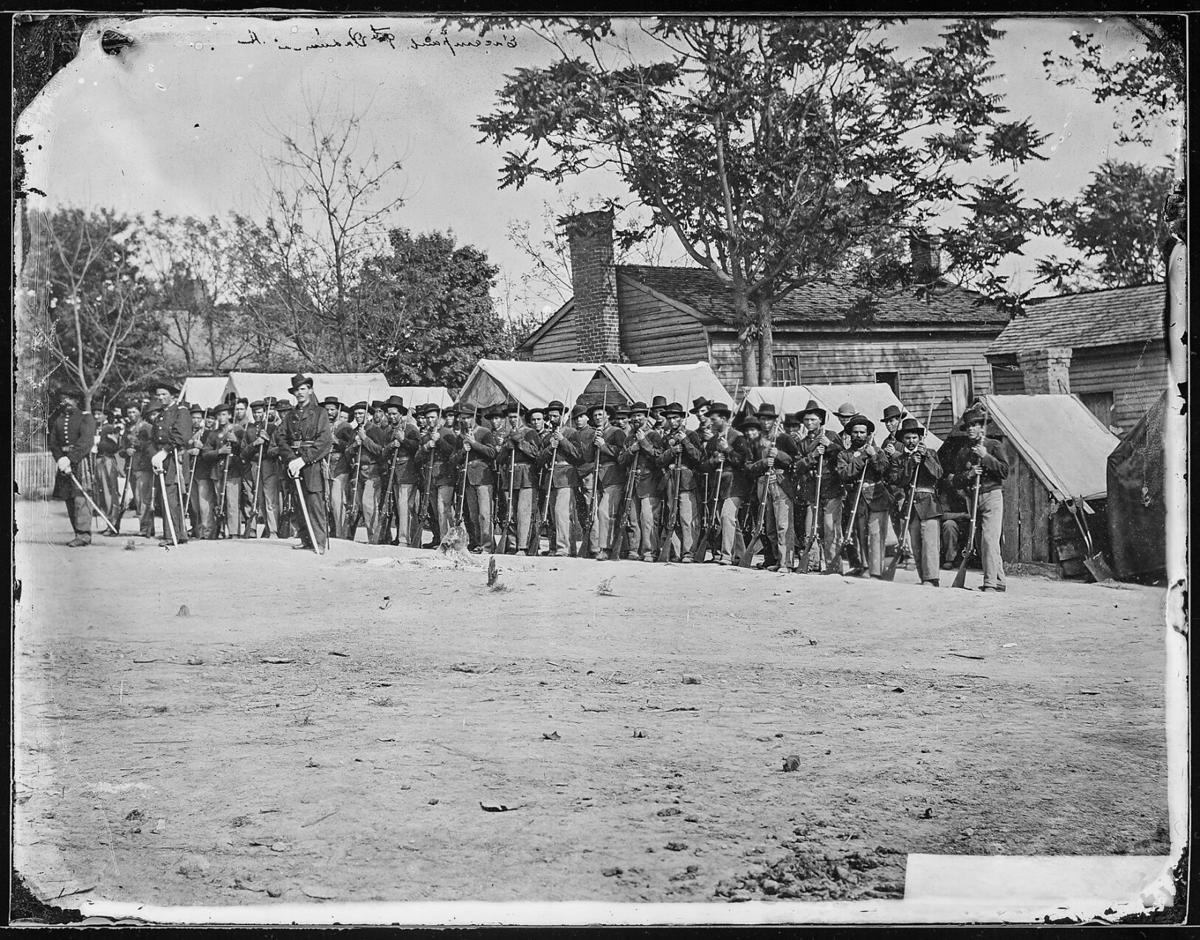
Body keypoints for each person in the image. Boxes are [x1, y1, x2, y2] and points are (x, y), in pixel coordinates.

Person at [950, 404, 1008, 592]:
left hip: (991, 496)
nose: (970, 429)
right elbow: (955, 480)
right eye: (968, 426)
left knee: (990, 540)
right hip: (972, 497)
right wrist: (969, 474)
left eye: (974, 425)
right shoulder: (963, 452)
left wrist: (986, 457)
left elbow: (1005, 471)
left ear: (983, 427)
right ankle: (999, 580)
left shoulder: (993, 446)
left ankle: (990, 583)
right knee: (980, 542)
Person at [276, 373, 334, 553]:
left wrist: (304, 459)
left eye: (303, 389)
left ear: (310, 390)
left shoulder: (320, 413)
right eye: (297, 390)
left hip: (312, 464)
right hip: (294, 464)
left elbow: (325, 441)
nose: (300, 393)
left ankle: (319, 541)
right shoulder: (290, 415)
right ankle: (305, 538)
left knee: (314, 503)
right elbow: (280, 437)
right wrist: (291, 459)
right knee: (298, 504)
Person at [888, 417, 943, 586]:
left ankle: (932, 578)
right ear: (902, 440)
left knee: (930, 544)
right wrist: (911, 464)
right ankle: (923, 577)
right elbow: (896, 480)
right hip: (910, 505)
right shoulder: (899, 459)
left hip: (929, 503)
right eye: (907, 438)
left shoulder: (931, 453)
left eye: (914, 438)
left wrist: (925, 458)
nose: (911, 441)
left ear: (920, 439)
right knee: (916, 545)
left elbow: (938, 474)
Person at [837, 414, 891, 578]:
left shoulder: (878, 451)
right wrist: (862, 458)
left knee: (876, 534)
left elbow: (884, 470)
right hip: (857, 499)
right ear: (850, 434)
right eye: (855, 432)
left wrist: (873, 455)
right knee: (861, 534)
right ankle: (864, 567)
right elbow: (844, 474)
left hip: (877, 497)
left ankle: (876, 571)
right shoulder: (844, 455)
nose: (859, 435)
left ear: (868, 434)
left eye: (862, 432)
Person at [793, 399, 843, 572]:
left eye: (813, 419)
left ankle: (833, 566)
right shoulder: (802, 443)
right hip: (811, 490)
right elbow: (797, 466)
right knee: (810, 529)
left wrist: (830, 446)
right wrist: (813, 455)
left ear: (821, 420)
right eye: (806, 420)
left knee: (830, 529)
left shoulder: (831, 436)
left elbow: (843, 456)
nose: (809, 423)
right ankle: (813, 564)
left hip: (830, 489)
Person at [49, 387, 98, 547]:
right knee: (69, 497)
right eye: (63, 399)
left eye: (70, 398)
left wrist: (70, 459)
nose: (66, 402)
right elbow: (54, 443)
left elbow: (86, 442)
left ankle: (84, 534)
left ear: (77, 400)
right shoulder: (58, 419)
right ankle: (78, 532)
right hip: (64, 462)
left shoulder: (86, 417)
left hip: (80, 461)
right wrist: (60, 460)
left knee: (80, 497)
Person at [616, 401, 662, 561]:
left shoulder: (654, 435)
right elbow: (621, 460)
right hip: (632, 483)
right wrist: (632, 449)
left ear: (646, 416)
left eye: (639, 415)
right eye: (634, 416)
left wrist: (643, 442)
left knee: (648, 519)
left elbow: (659, 457)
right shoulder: (629, 438)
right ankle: (634, 550)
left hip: (649, 482)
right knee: (632, 519)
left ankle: (649, 551)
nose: (636, 418)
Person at [148, 381, 192, 546]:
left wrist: (165, 451)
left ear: (172, 395)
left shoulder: (181, 412)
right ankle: (178, 533)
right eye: (158, 395)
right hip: (162, 458)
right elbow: (154, 438)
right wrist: (155, 455)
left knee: (171, 495)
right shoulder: (161, 415)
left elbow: (182, 435)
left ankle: (171, 534)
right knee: (164, 495)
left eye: (164, 394)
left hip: (174, 457)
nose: (160, 398)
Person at [539, 400, 577, 557]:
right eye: (550, 416)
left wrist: (562, 440)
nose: (552, 419)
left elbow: (577, 454)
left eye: (555, 416)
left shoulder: (571, 433)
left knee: (561, 513)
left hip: (566, 476)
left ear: (562, 416)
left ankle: (564, 548)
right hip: (551, 477)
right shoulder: (547, 437)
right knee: (553, 515)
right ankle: (554, 547)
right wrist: (550, 447)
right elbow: (539, 459)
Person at [242, 399, 282, 539]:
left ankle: (273, 531)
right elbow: (244, 452)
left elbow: (276, 448)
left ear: (265, 412)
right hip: (254, 466)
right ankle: (266, 526)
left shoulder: (271, 428)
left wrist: (267, 440)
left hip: (269, 465)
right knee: (260, 499)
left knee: (270, 499)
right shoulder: (249, 428)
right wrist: (255, 443)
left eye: (259, 412)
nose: (257, 415)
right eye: (255, 413)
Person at [121, 402, 156, 538]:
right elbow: (122, 447)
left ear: (139, 412)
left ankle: (146, 527)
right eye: (129, 412)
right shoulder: (127, 428)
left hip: (144, 466)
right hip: (131, 466)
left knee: (144, 498)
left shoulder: (148, 427)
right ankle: (144, 526)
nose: (131, 415)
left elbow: (152, 446)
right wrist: (126, 450)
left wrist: (138, 444)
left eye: (134, 412)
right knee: (137, 498)